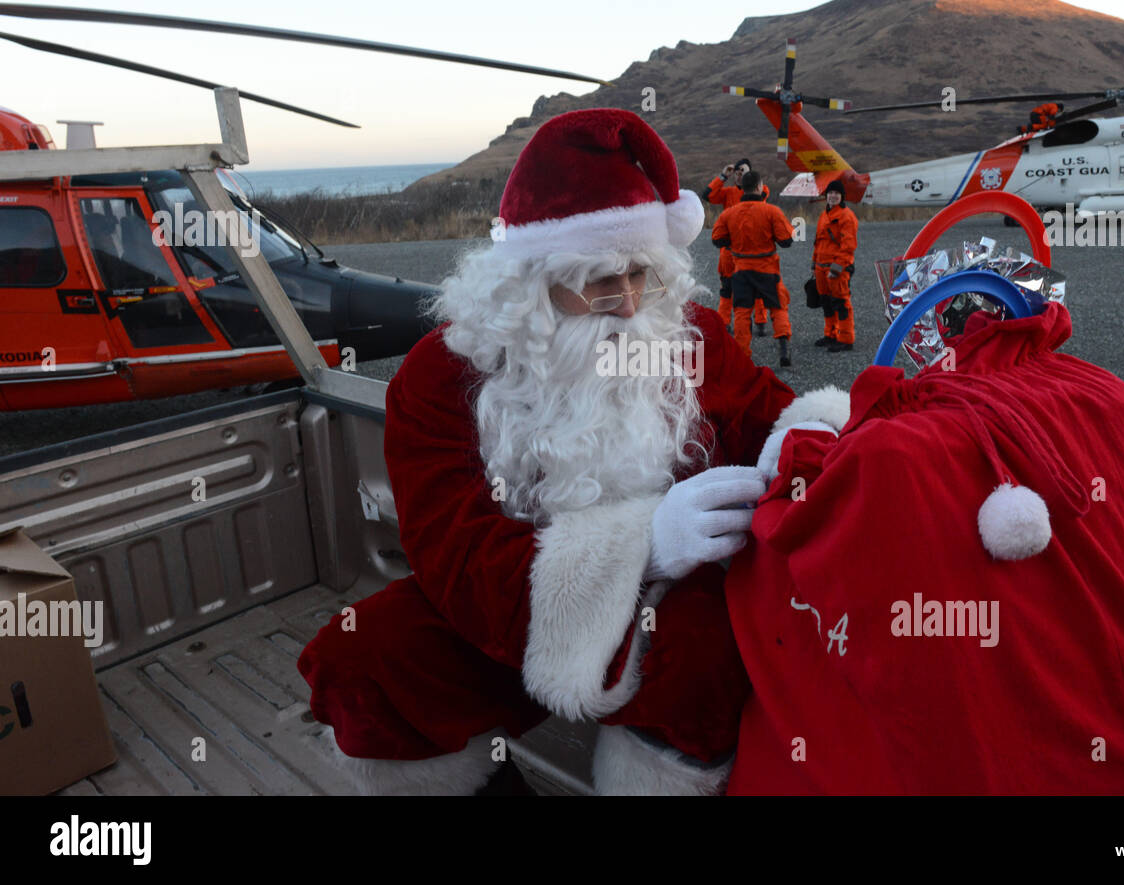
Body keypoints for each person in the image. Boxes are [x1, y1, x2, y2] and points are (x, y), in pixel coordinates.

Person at [297, 108, 850, 795]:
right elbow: (457, 560)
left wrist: (815, 431)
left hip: (670, 610)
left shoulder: (683, 333)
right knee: (366, 658)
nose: (626, 303)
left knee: (703, 645)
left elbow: (775, 416)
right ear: (527, 281)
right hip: (512, 612)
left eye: (641, 274)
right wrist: (642, 542)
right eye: (597, 281)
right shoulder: (441, 377)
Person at [711, 169, 795, 366]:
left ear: (742, 189)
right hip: (767, 268)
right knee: (778, 308)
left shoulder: (729, 213)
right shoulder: (772, 211)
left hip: (741, 269)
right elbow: (786, 241)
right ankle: (783, 349)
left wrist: (735, 243)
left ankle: (742, 355)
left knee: (741, 311)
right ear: (759, 187)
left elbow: (717, 240)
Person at [703, 158, 771, 333]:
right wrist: (723, 175)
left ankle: (760, 320)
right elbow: (708, 195)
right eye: (737, 172)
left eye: (744, 172)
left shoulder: (761, 191)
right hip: (729, 252)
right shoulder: (728, 193)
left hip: (752, 251)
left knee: (756, 287)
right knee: (727, 288)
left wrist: (749, 178)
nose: (740, 175)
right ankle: (724, 322)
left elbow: (763, 192)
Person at [812, 179, 858, 352]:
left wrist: (837, 268)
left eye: (836, 193)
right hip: (821, 266)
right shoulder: (825, 214)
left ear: (842, 196)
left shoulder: (847, 217)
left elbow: (849, 246)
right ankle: (831, 334)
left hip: (836, 268)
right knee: (826, 303)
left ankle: (846, 339)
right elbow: (818, 241)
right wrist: (813, 264)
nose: (832, 196)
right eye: (830, 193)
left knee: (841, 302)